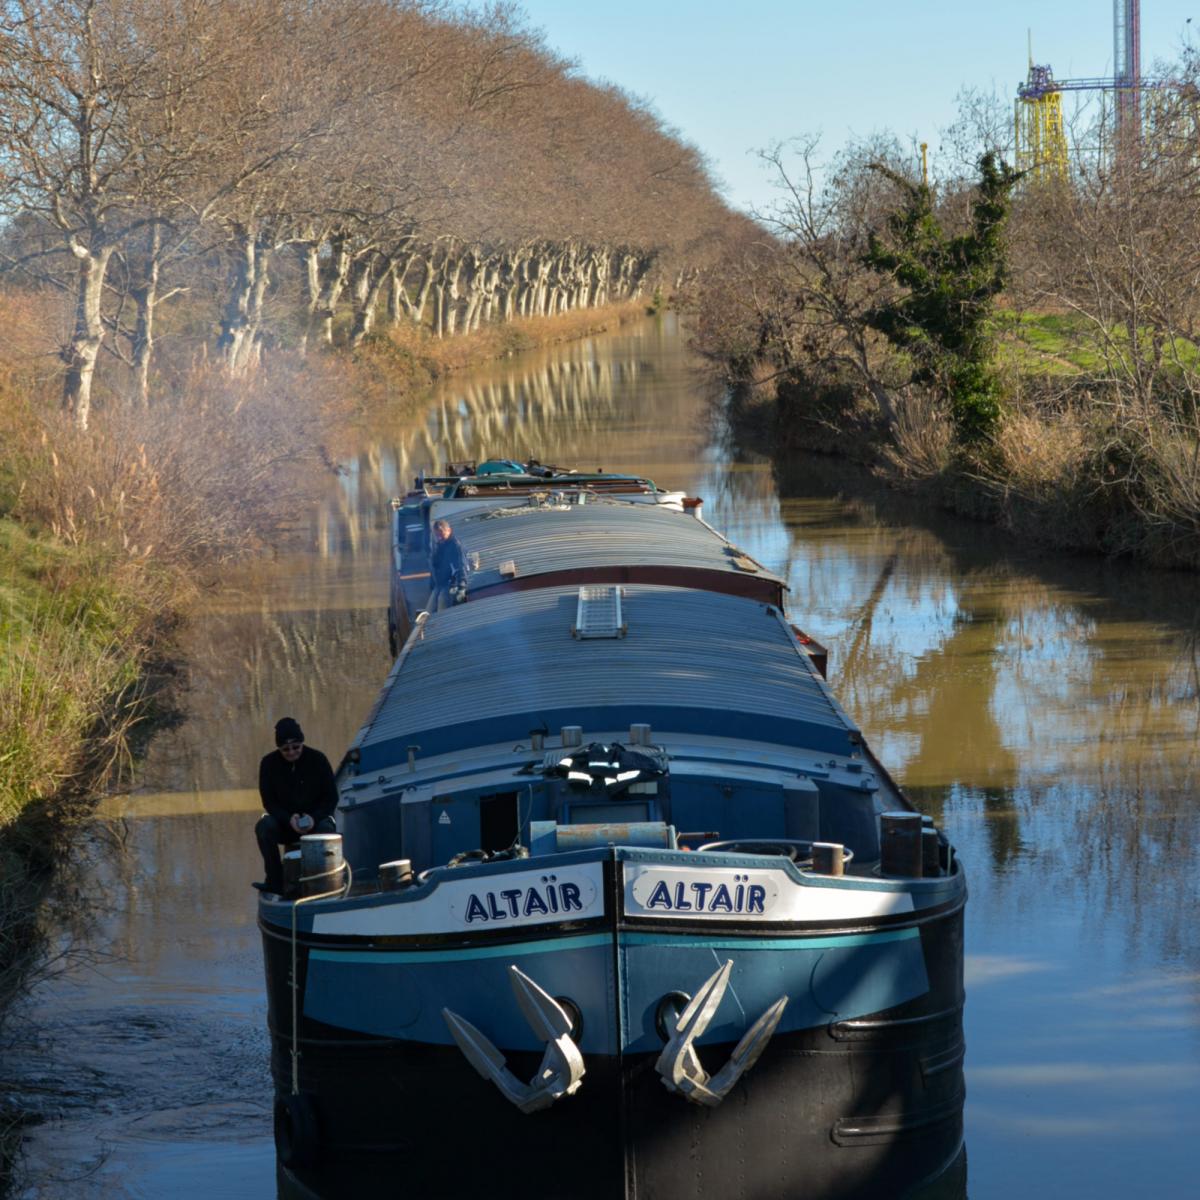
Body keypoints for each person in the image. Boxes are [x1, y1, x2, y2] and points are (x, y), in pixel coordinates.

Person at [254, 717, 338, 894]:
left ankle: (324, 880)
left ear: (302, 743)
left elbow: (331, 797)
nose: (291, 752)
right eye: (285, 749)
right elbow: (269, 802)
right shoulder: (268, 764)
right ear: (279, 748)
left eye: (296, 747)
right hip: (286, 824)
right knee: (263, 827)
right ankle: (275, 881)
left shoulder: (318, 759)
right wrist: (288, 819)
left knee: (327, 829)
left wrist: (314, 817)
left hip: (316, 822)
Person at [429, 518, 468, 611]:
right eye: (437, 535)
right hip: (440, 583)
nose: (439, 538)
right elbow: (436, 564)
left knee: (441, 602)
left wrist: (462, 587)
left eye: (441, 534)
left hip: (451, 583)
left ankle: (442, 618)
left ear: (449, 530)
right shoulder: (440, 544)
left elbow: (462, 566)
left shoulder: (456, 546)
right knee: (430, 606)